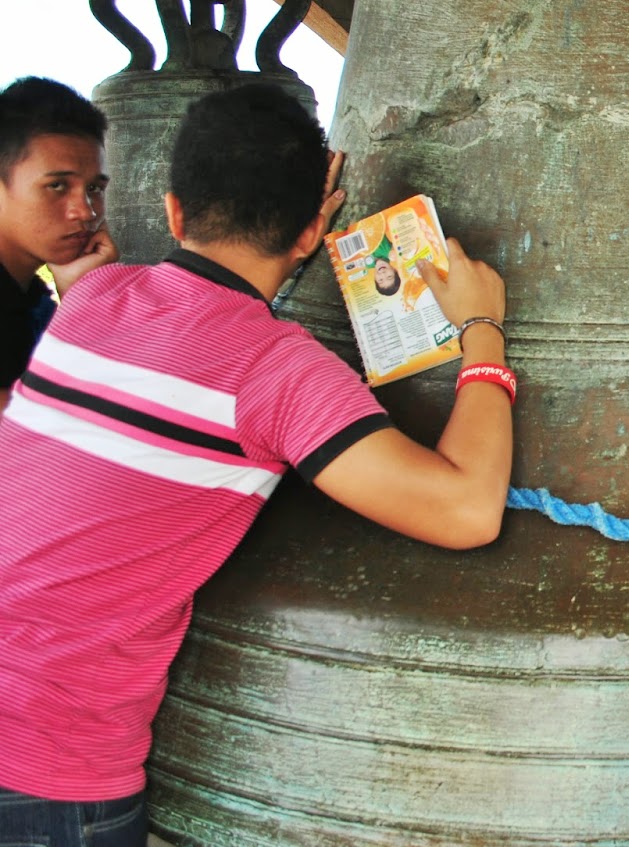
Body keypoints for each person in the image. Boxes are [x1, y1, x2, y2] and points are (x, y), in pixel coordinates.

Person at [0, 83, 517, 846]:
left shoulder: (92, 298)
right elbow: (468, 511)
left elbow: (201, 327)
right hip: (50, 770)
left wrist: (293, 244)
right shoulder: (278, 375)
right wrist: (483, 329)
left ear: (174, 210)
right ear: (311, 230)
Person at [0, 78, 120, 405]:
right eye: (57, 186)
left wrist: (83, 298)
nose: (85, 212)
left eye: (95, 188)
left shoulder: (31, 301)